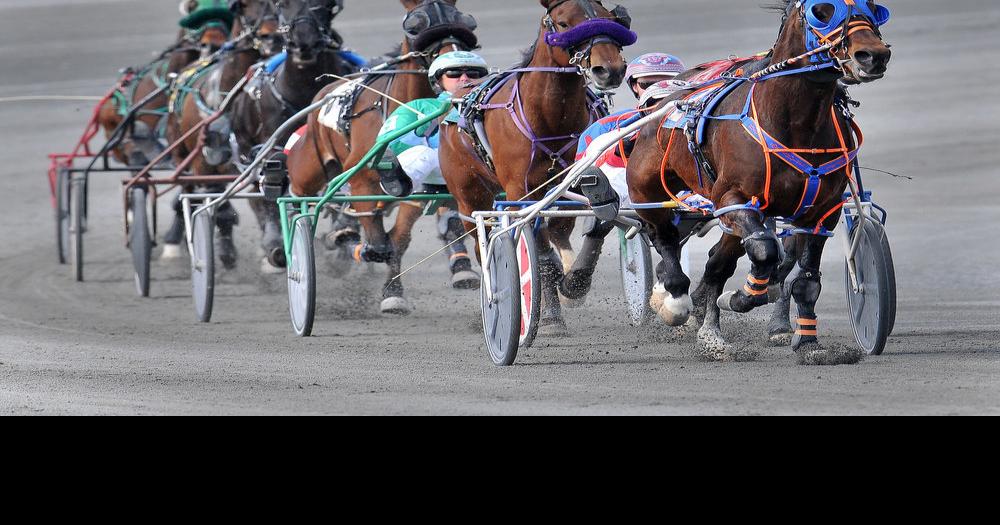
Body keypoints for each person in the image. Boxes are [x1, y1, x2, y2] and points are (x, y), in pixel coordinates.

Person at [374, 51, 491, 289]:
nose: (465, 78)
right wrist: (428, 124)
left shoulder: (494, 106)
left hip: (481, 171)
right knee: (423, 155)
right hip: (434, 169)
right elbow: (386, 141)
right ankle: (398, 182)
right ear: (438, 81)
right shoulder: (420, 107)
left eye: (474, 74)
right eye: (455, 74)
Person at [577, 53, 686, 221]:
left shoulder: (697, 119)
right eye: (647, 84)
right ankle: (608, 200)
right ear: (635, 86)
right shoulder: (609, 126)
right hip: (633, 187)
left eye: (666, 81)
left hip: (689, 185)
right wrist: (619, 152)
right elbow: (582, 167)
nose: (658, 88)